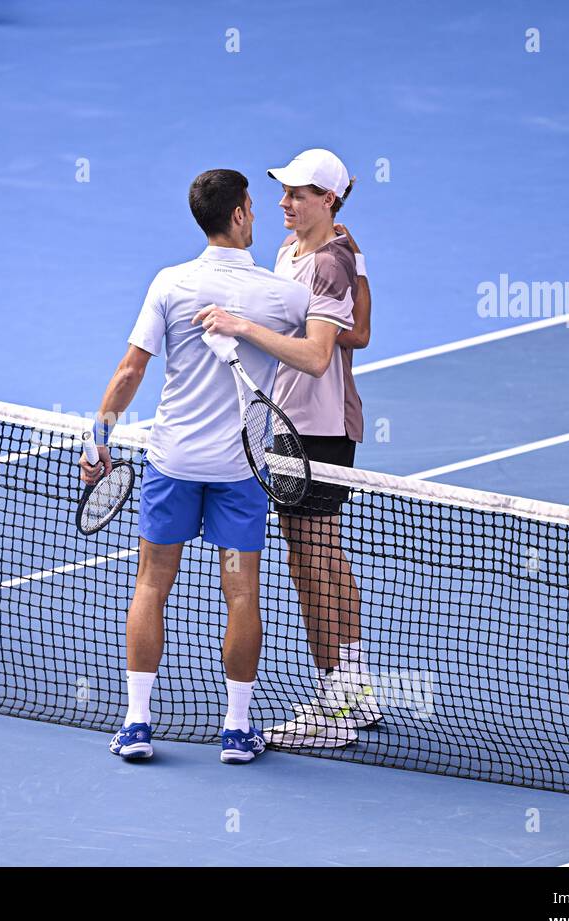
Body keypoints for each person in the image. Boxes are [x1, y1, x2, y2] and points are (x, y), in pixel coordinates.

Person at [82, 169, 349, 764]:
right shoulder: (279, 296)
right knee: (241, 593)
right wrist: (342, 250)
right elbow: (335, 337)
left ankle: (136, 722)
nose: (261, 212)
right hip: (237, 473)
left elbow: (130, 371)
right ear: (238, 215)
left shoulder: (169, 284)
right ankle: (235, 728)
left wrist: (99, 436)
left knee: (152, 583)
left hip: (173, 464)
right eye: (255, 204)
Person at [258, 149, 380, 749]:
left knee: (317, 557)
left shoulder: (331, 263)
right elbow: (355, 333)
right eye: (283, 192)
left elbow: (318, 355)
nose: (283, 203)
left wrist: (245, 329)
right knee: (311, 555)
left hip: (321, 428)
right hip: (289, 421)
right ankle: (351, 689)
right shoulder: (294, 252)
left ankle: (340, 700)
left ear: (327, 199)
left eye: (297, 194)